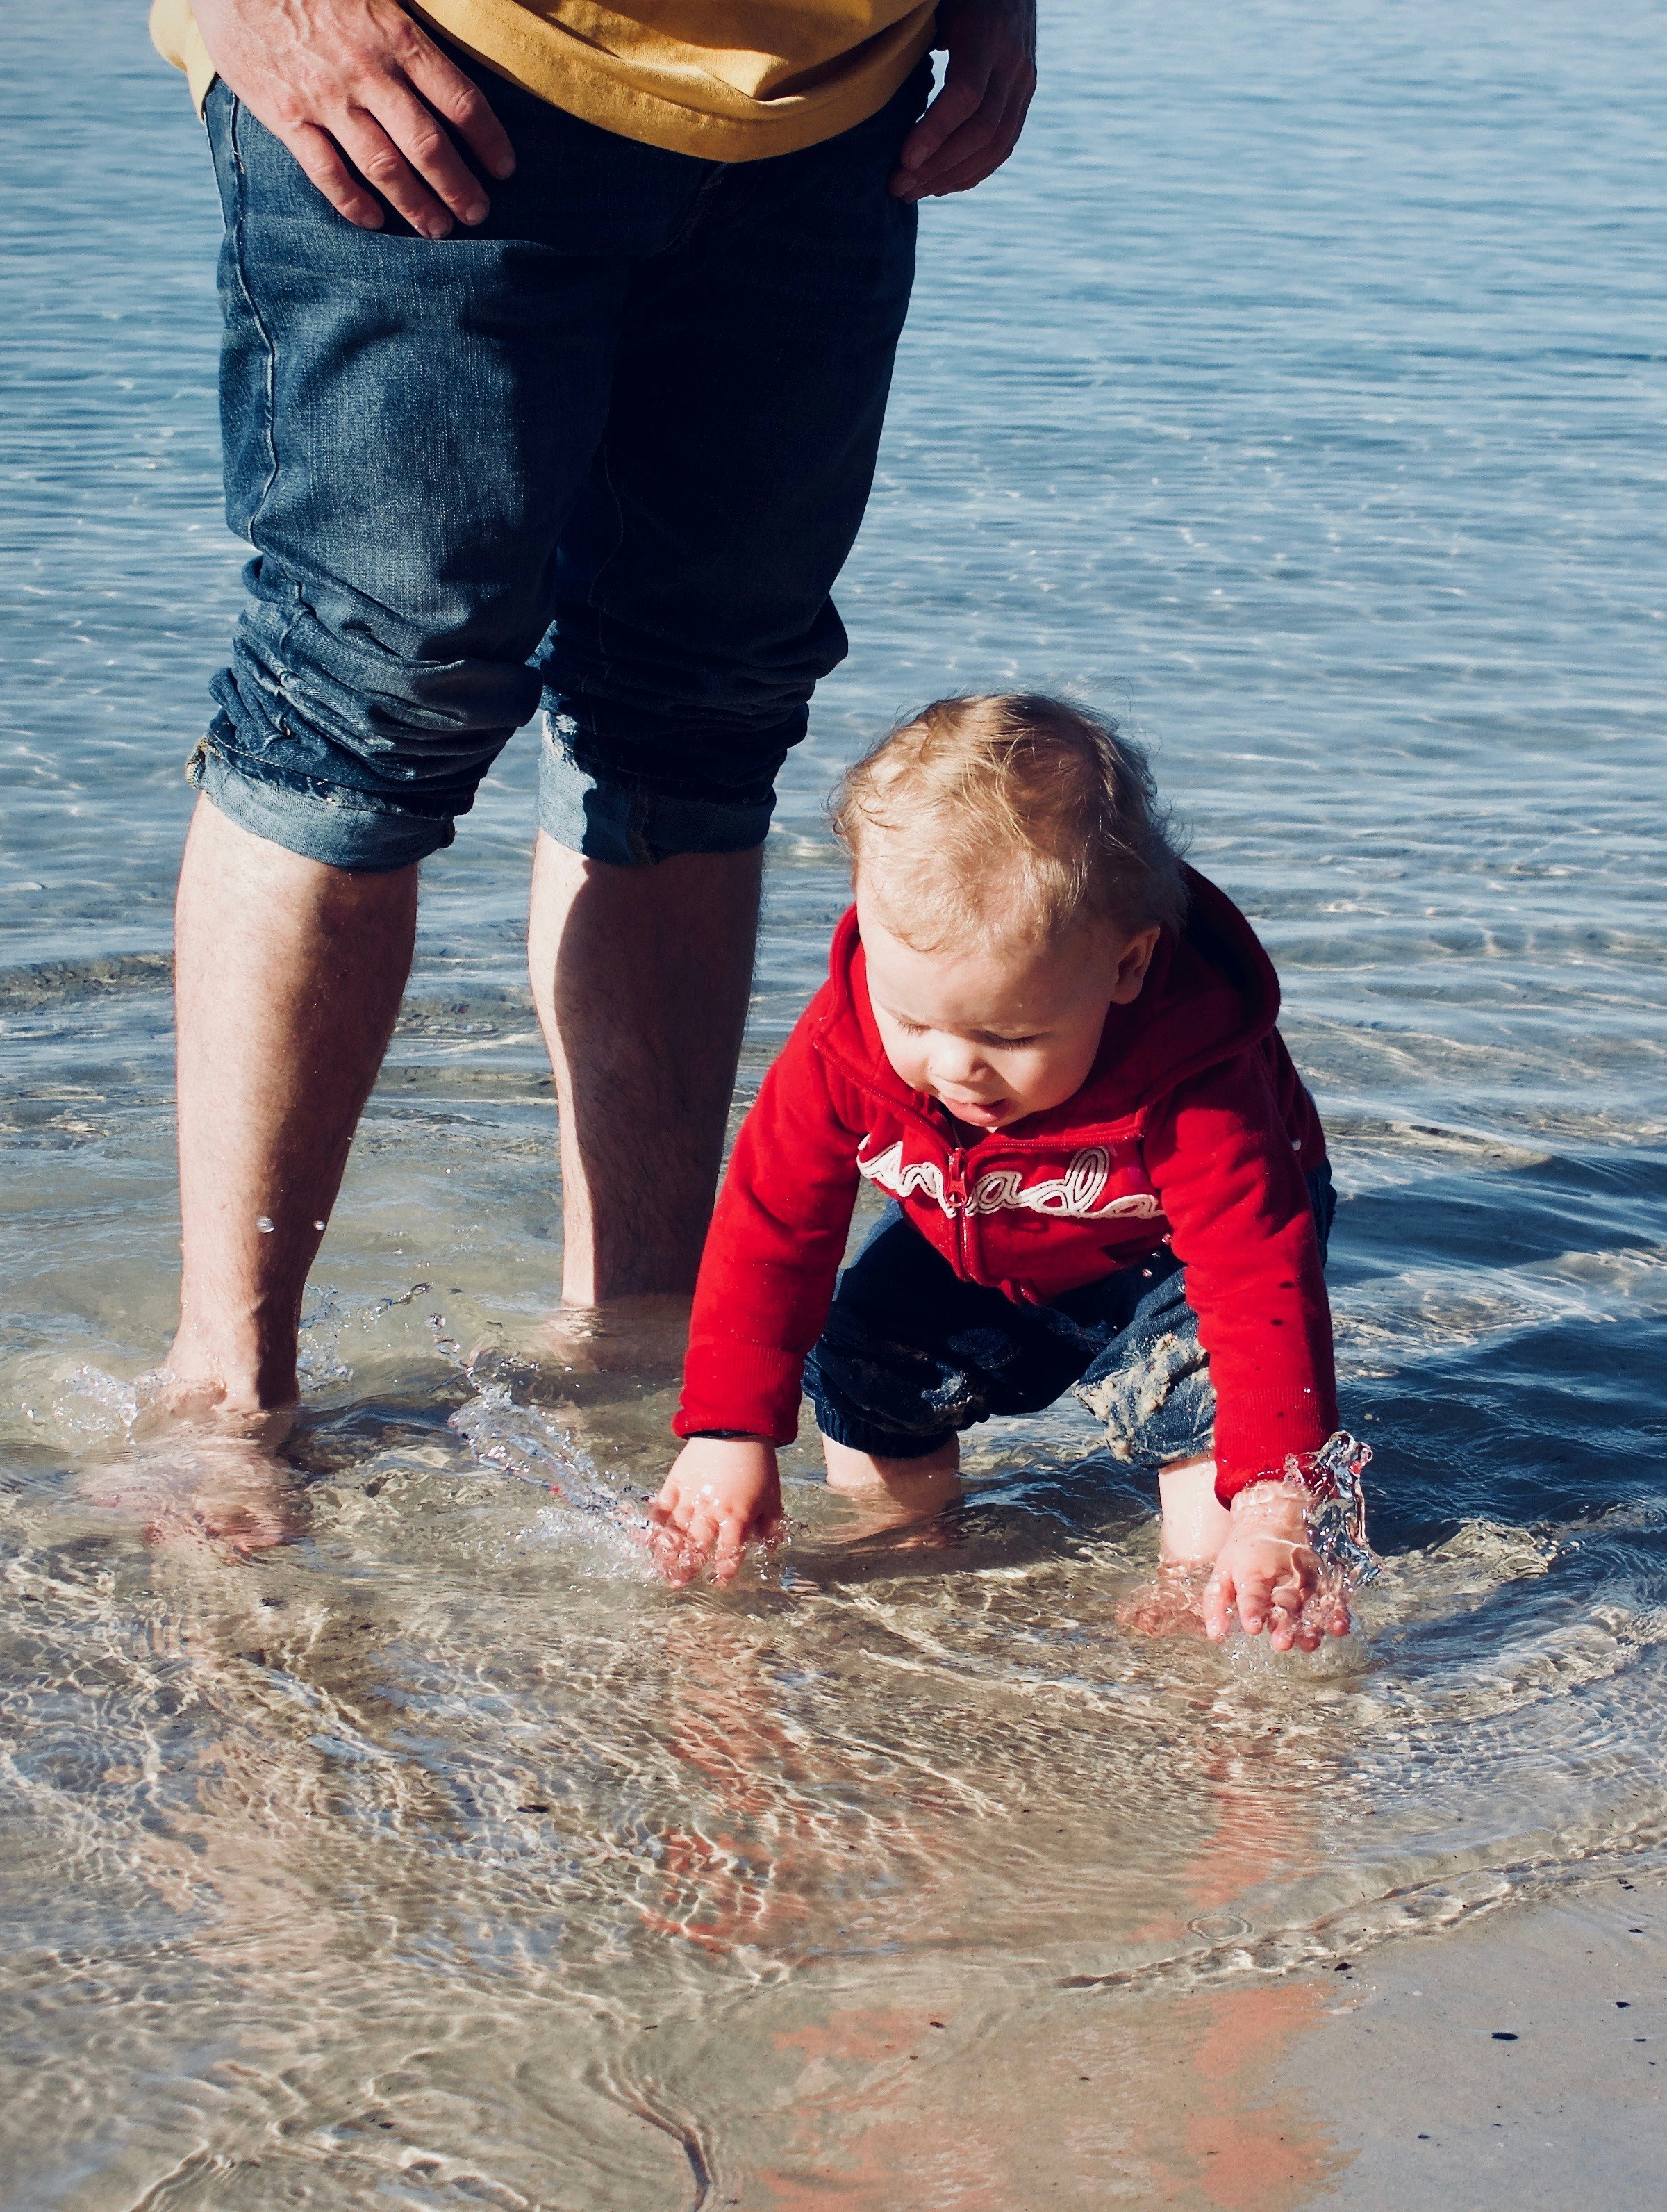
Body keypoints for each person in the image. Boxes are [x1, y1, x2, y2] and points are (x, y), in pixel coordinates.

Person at [135, 0, 1041, 1505]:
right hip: (437, 68)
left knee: (702, 707)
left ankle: (642, 1344)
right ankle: (227, 1388)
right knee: (369, 694)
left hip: (833, 103)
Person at [643, 695, 1354, 1651]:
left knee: (1203, 1395)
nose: (953, 1067)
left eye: (1008, 1034)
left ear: (1127, 966)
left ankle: (1204, 1590)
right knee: (862, 1362)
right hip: (978, 1218)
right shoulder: (842, 1046)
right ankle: (910, 1535)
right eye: (914, 1021)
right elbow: (772, 1228)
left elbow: (1255, 1279)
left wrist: (1279, 1500)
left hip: (1175, 1251)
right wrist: (728, 1433)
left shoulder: (1195, 1079)